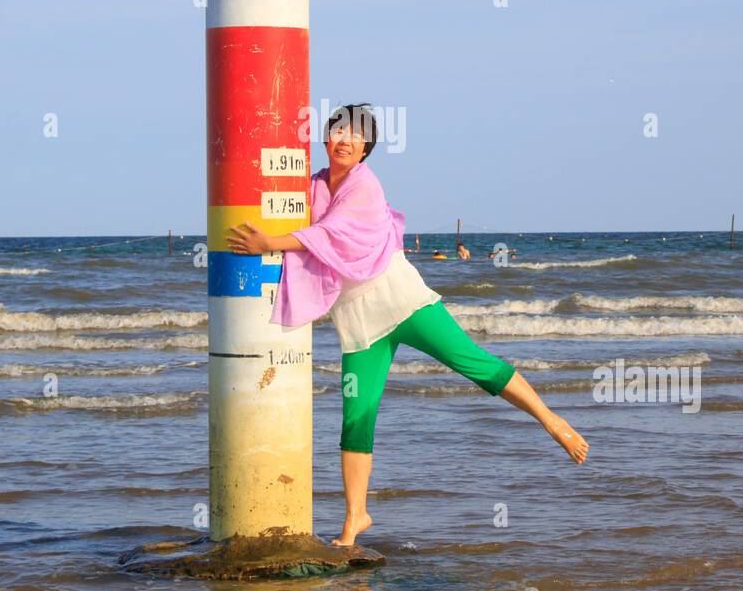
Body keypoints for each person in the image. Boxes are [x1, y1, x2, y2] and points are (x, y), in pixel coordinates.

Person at [226, 103, 589, 546]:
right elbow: (288, 205)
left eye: (354, 137)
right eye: (337, 132)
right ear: (326, 139)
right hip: (358, 322)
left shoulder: (365, 186)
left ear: (365, 150)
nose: (344, 141)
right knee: (356, 416)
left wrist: (270, 243)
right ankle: (355, 519)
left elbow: (331, 233)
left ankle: (549, 419)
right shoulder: (314, 186)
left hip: (404, 302)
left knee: (473, 363)